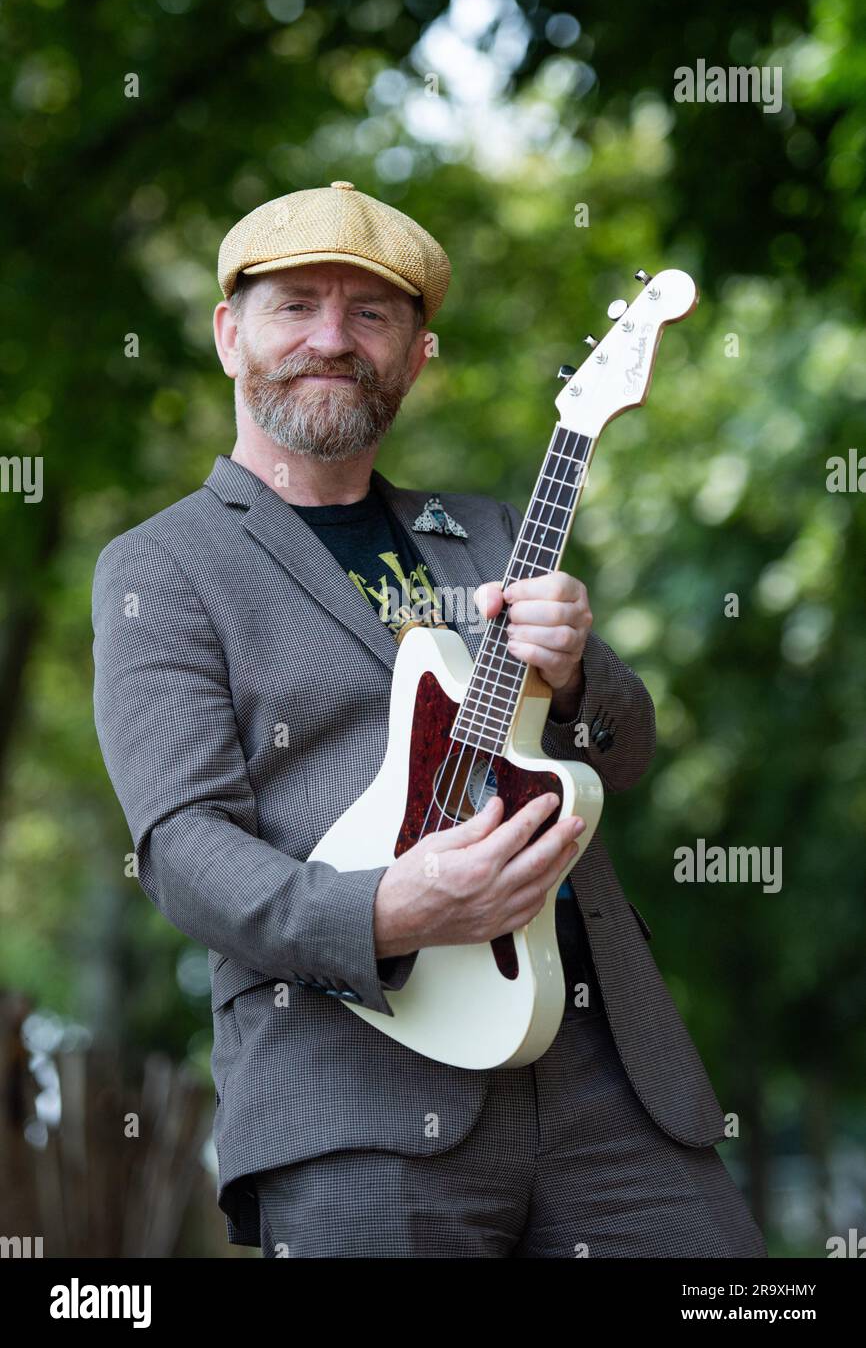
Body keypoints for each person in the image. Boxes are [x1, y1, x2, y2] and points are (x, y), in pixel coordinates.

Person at [92, 181, 767, 1258]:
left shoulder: (487, 531)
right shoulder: (162, 569)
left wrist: (580, 664)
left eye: (370, 315)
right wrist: (385, 912)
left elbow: (622, 751)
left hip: (604, 1081)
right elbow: (181, 845)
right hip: (352, 1093)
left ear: (415, 354)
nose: (330, 338)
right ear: (229, 336)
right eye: (295, 305)